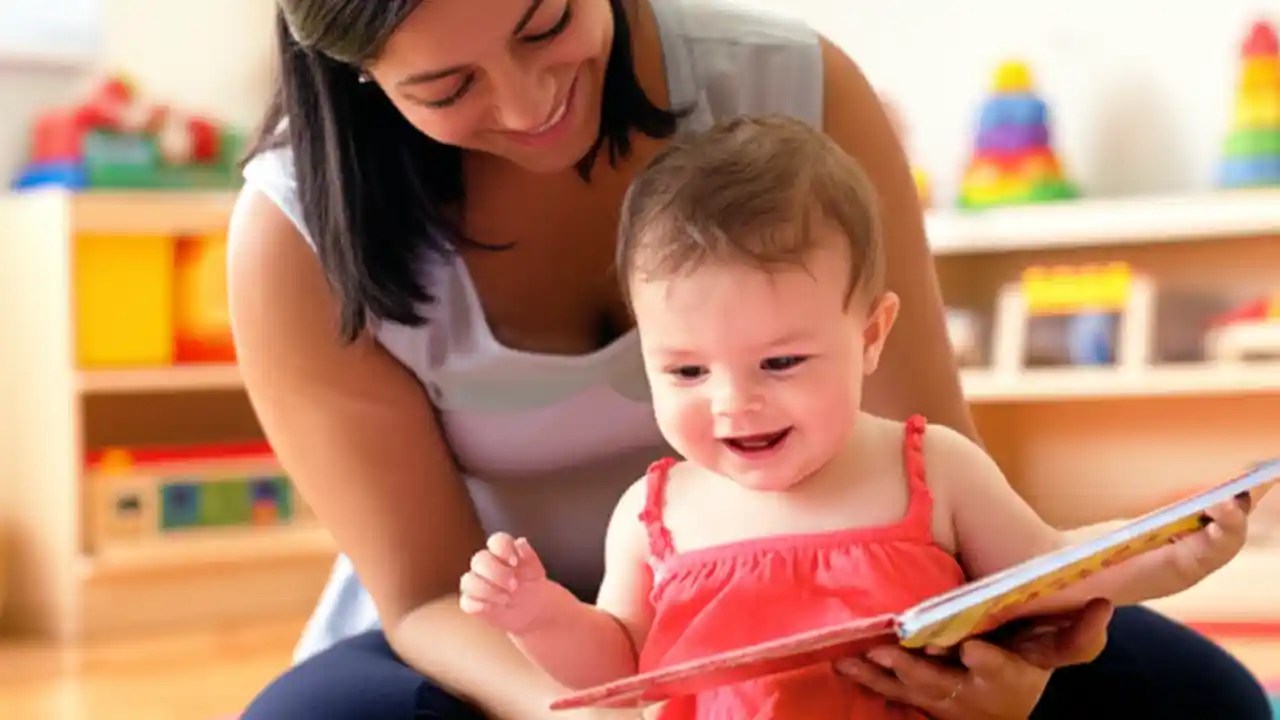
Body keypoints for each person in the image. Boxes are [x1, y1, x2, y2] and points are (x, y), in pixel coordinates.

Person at [227, 0, 1274, 718]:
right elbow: (420, 595)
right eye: (446, 84)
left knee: (1200, 701)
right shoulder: (295, 233)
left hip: (860, 612)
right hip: (514, 647)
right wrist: (586, 702)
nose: (523, 102)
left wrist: (996, 662)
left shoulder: (790, 83)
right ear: (355, 72)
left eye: (545, 23)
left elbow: (948, 486)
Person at [456, 114, 1258, 719]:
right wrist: (540, 617)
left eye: (780, 362)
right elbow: (614, 665)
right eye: (687, 370)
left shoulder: (929, 468)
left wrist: (1177, 555)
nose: (734, 401)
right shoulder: (655, 512)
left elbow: (1044, 574)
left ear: (870, 335)